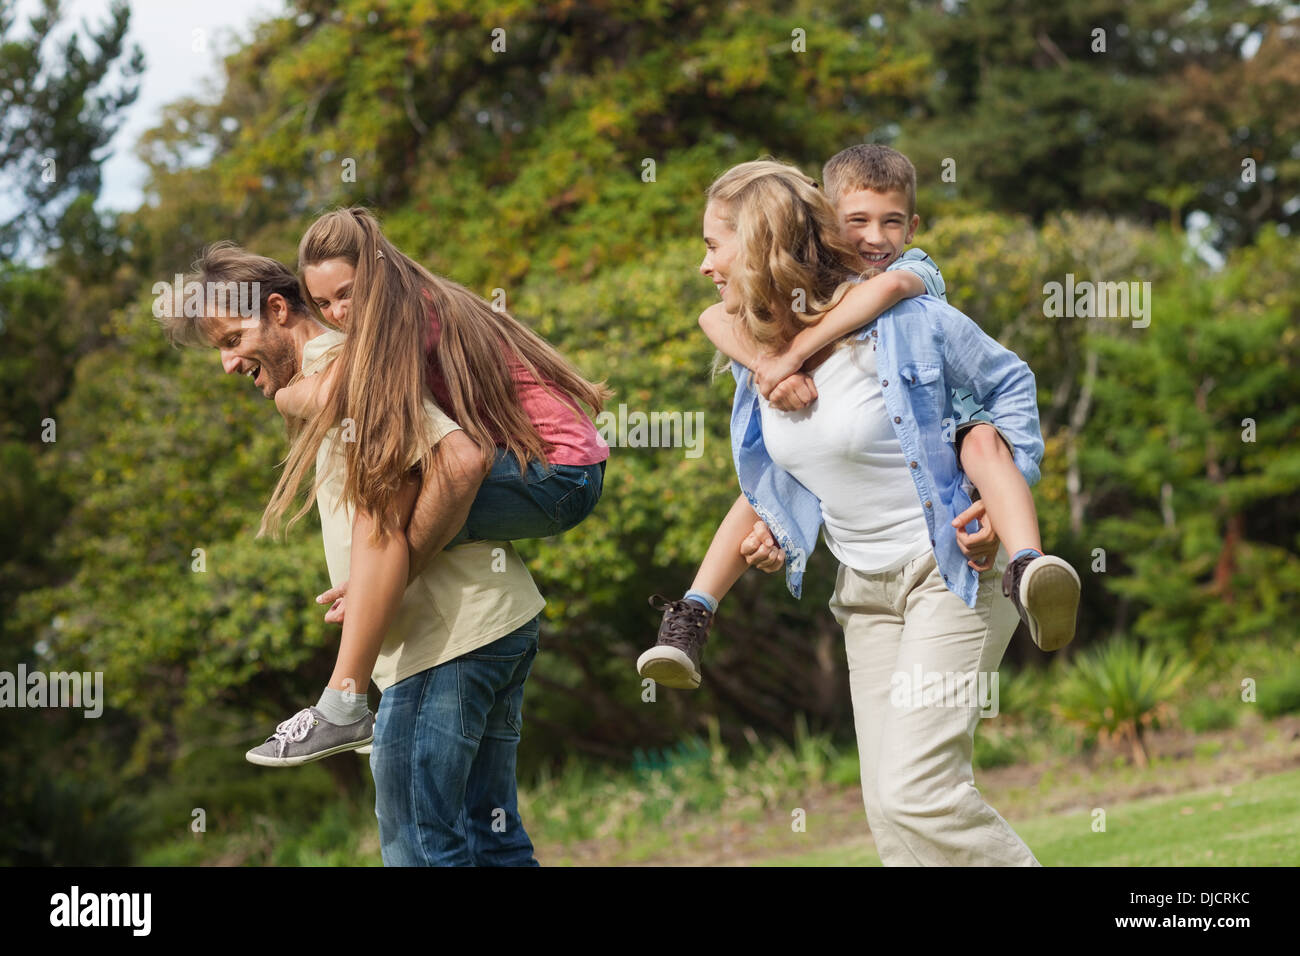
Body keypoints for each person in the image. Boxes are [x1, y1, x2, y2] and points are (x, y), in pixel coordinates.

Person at [659, 159, 1041, 865]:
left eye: (714, 244)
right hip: (864, 594)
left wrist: (1003, 487)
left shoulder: (906, 318)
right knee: (892, 819)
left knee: (918, 795)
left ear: (760, 239)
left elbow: (1010, 382)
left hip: (952, 572)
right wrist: (776, 531)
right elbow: (786, 476)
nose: (704, 263)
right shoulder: (757, 353)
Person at [158, 243, 549, 865]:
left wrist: (351, 674)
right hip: (485, 622)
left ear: (279, 310)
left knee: (420, 849)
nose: (228, 364)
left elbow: (459, 462)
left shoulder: (350, 373)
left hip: (442, 643)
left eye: (233, 339)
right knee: (489, 838)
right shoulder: (340, 378)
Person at [638, 145, 1079, 690]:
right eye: (859, 221)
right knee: (761, 486)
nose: (875, 237)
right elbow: (713, 321)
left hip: (950, 513)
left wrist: (789, 359)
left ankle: (1026, 564)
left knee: (983, 442)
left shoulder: (906, 297)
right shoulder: (760, 334)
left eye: (711, 246)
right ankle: (694, 611)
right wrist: (769, 365)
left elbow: (900, 293)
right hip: (860, 582)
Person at [252, 207, 611, 761]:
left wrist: (280, 395)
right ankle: (345, 697)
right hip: (559, 470)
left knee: (379, 498)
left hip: (557, 475)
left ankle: (342, 704)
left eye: (347, 294)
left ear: (375, 271)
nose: (337, 313)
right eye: (323, 304)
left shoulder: (401, 316)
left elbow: (331, 398)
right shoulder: (411, 298)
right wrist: (375, 584)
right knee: (391, 494)